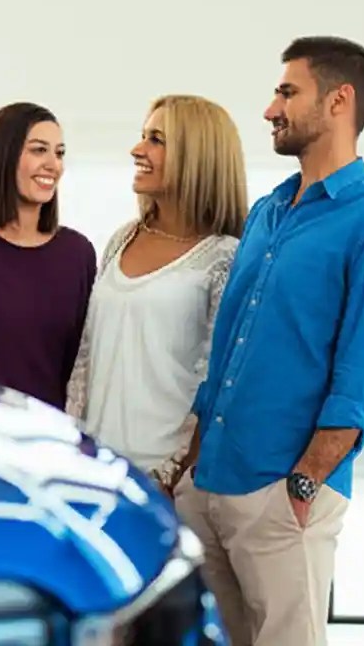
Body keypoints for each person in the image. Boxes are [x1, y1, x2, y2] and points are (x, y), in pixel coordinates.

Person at [168, 36, 364, 646]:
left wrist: (305, 484)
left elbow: (363, 375)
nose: (270, 109)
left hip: (283, 493)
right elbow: (227, 347)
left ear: (339, 100)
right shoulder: (268, 211)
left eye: (287, 91)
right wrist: (192, 468)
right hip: (211, 483)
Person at [65, 94, 247, 478]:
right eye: (142, 136)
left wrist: (173, 475)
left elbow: (214, 382)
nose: (137, 149)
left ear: (196, 155)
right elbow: (86, 359)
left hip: (163, 482)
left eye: (156, 139)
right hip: (96, 469)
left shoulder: (224, 257)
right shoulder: (123, 238)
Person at [0, 102, 96, 410]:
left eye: (59, 153)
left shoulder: (77, 254)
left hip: (52, 440)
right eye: (39, 150)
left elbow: (82, 369)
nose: (54, 164)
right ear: (4, 156)